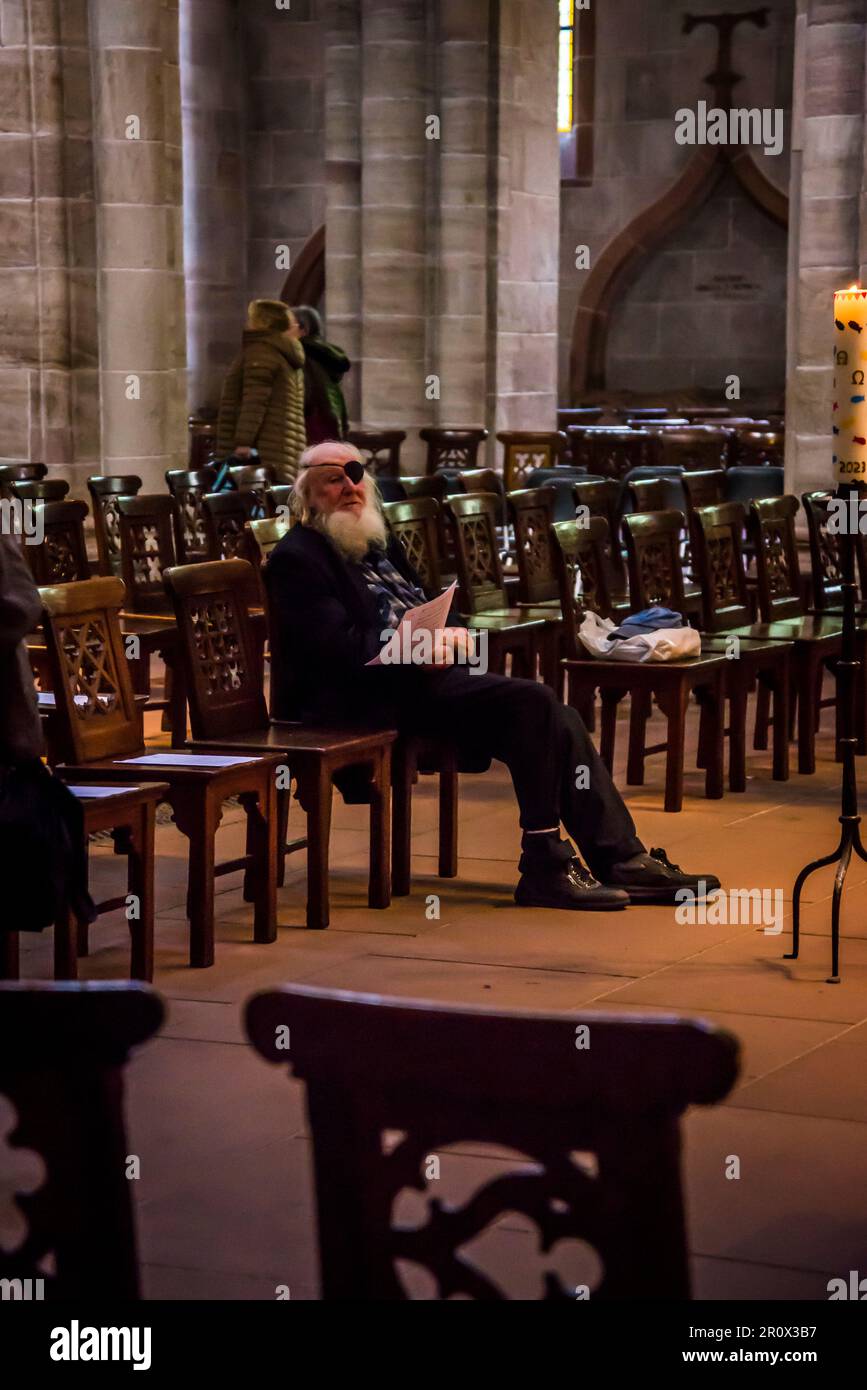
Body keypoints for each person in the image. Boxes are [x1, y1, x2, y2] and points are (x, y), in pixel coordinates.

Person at [264, 441, 721, 912]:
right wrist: (412, 649)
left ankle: (616, 858)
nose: (350, 487)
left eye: (356, 475)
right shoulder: (299, 557)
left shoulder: (376, 542)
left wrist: (451, 634)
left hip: (417, 680)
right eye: (334, 479)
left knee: (554, 715)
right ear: (307, 495)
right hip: (359, 700)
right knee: (535, 703)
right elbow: (335, 651)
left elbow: (430, 606)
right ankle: (553, 862)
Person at [216, 299, 306, 483]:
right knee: (275, 501)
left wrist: (243, 442)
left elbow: (255, 401)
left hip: (263, 449)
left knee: (253, 504)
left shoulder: (261, 353)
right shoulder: (284, 352)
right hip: (283, 447)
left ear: (262, 321)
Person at [292, 305, 351, 445]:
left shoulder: (304, 355)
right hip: (329, 418)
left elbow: (307, 393)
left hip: (313, 420)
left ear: (303, 329)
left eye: (288, 325)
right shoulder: (324, 353)